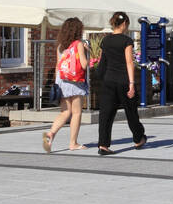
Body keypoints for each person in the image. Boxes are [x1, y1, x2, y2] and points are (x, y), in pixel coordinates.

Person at [95, 11, 146, 155]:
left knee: (106, 114)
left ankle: (103, 145)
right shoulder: (126, 41)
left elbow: (102, 62)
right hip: (123, 81)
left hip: (108, 81)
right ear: (124, 24)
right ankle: (138, 139)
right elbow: (129, 62)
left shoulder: (105, 41)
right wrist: (131, 83)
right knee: (131, 112)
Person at [44, 18, 89, 152]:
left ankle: (50, 133)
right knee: (76, 113)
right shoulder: (78, 44)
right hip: (75, 82)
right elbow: (84, 65)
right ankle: (73, 143)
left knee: (65, 112)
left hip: (62, 81)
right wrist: (87, 52)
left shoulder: (60, 46)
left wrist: (57, 84)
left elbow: (58, 66)